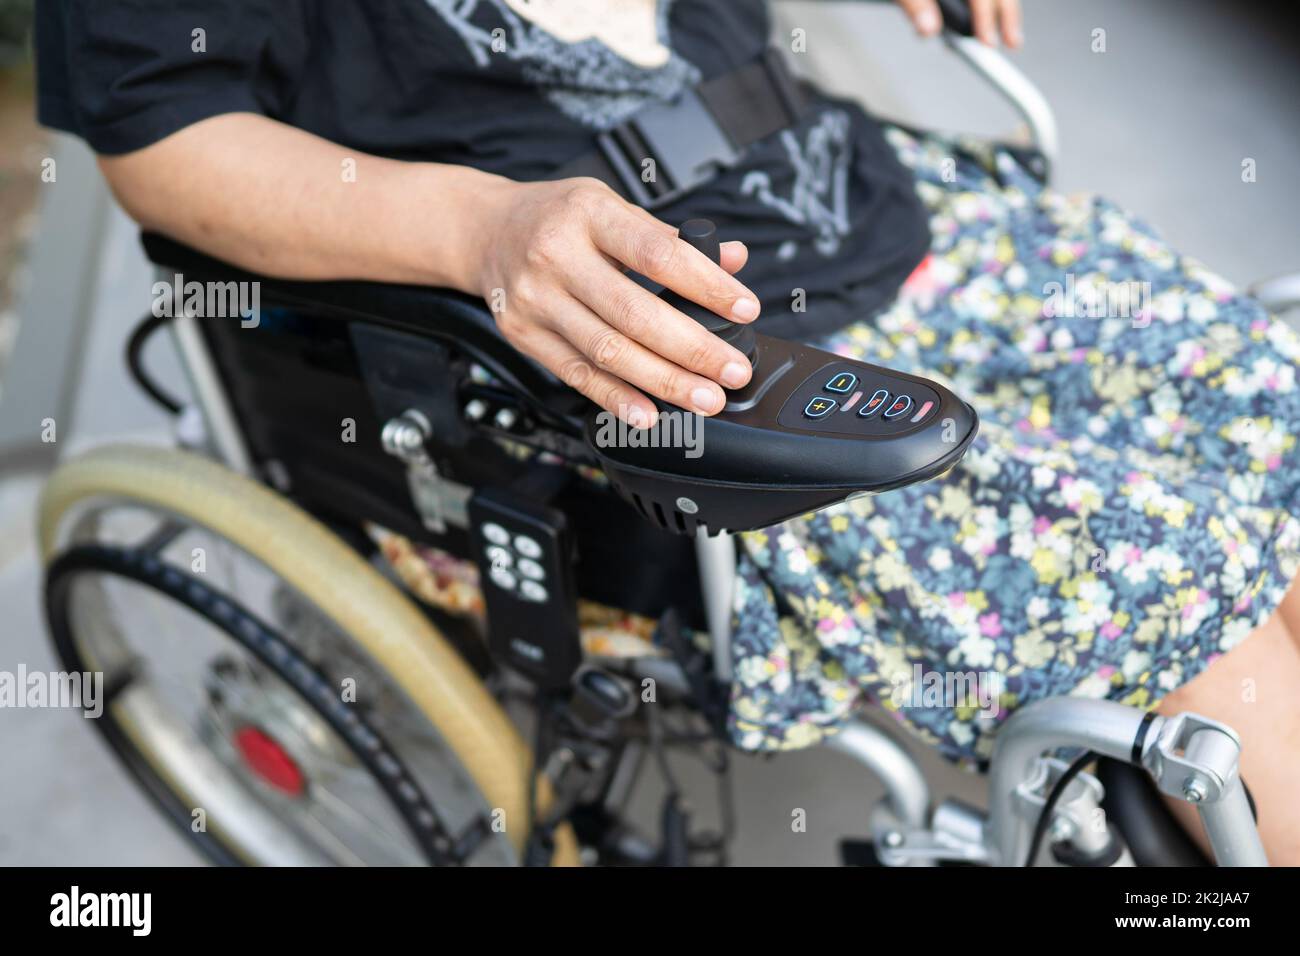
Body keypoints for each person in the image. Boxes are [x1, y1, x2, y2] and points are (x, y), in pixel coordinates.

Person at [36, 0, 1300, 864]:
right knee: (1207, 630)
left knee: (1276, 416)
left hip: (860, 202)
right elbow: (163, 139)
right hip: (673, 347)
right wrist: (479, 233)